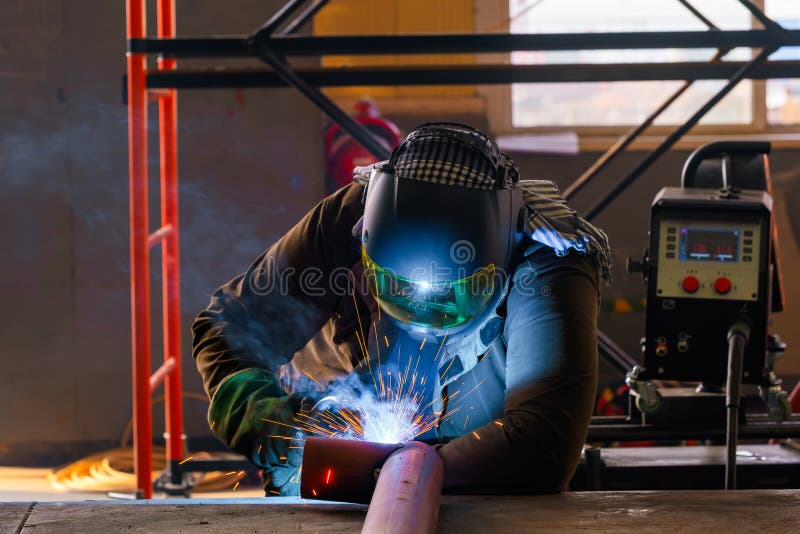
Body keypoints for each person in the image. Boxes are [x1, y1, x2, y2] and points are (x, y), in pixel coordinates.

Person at [192, 122, 611, 496]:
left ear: (499, 256)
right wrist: (254, 408)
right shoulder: (352, 219)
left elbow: (542, 448)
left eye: (449, 294)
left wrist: (393, 472)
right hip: (325, 490)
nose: (421, 313)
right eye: (395, 286)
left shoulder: (550, 258)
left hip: (487, 497)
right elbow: (229, 325)